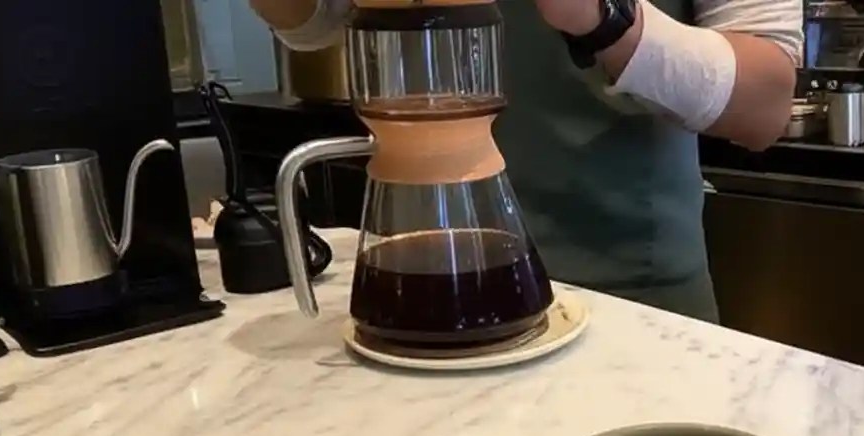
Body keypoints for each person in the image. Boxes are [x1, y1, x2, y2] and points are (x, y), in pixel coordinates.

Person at [250, 0, 801, 322]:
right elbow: (310, 22)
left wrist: (604, 18)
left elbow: (763, 104)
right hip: (425, 280)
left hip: (632, 300)